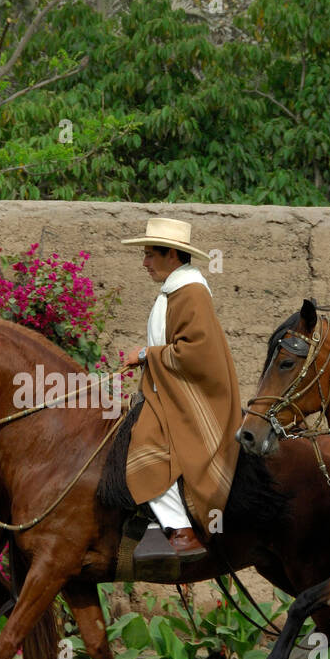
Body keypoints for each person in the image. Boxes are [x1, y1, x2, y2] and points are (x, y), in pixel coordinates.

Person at [121, 217, 241, 561]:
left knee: (144, 442)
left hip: (197, 400)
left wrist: (145, 354)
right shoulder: (176, 291)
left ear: (172, 255)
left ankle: (181, 533)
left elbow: (196, 352)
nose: (144, 263)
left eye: (149, 255)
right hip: (175, 393)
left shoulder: (191, 293)